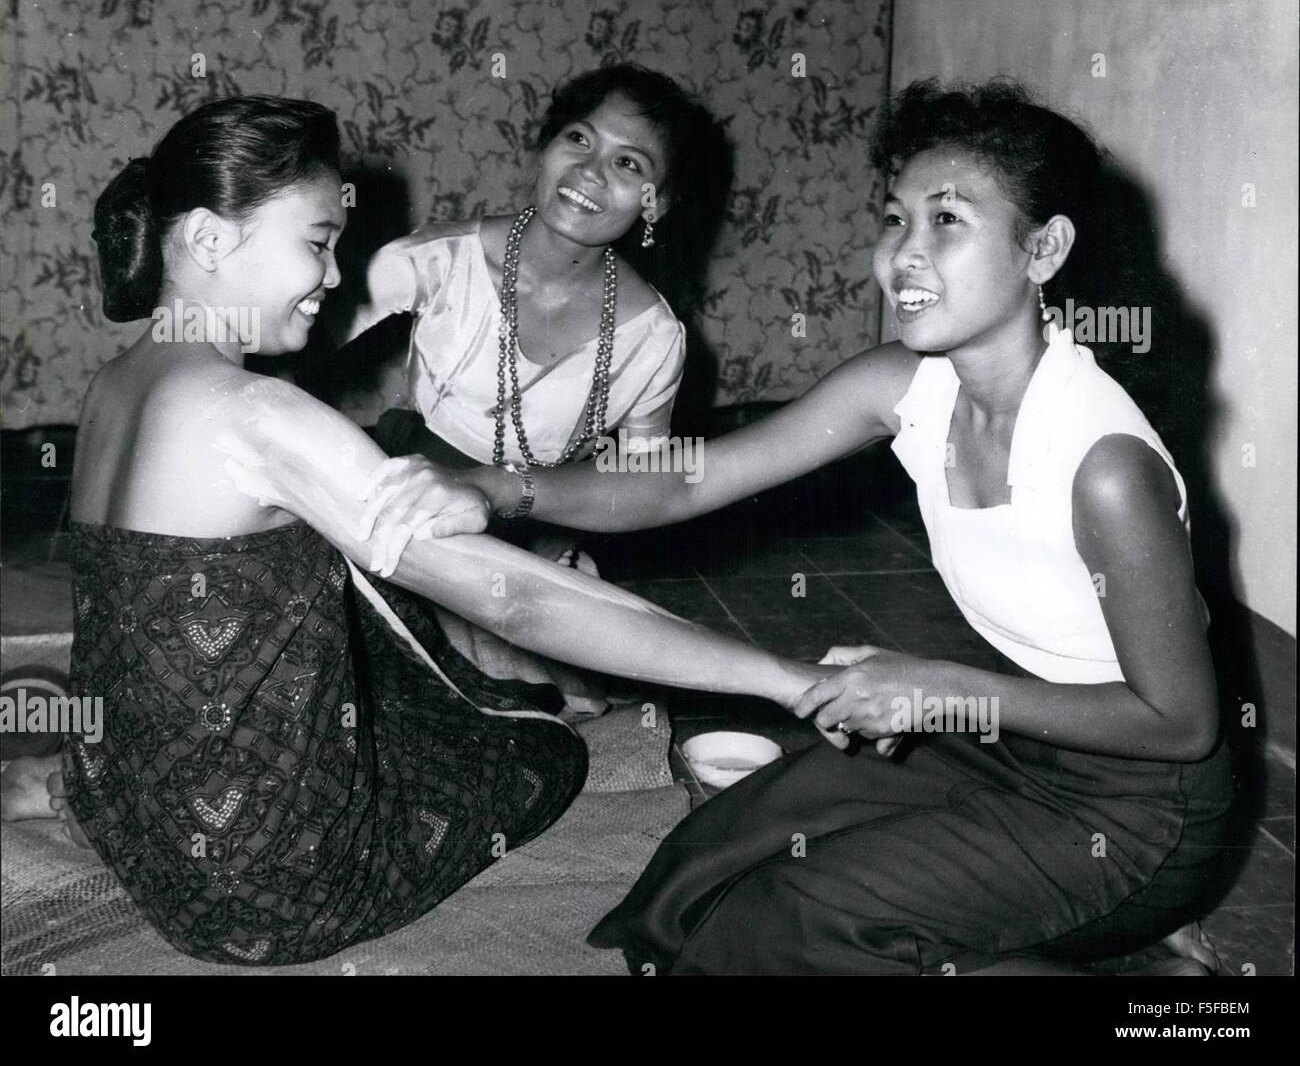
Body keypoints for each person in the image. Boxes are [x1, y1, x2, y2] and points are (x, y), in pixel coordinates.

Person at [412, 79, 1233, 975]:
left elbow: (1181, 722)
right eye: (895, 220)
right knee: (714, 858)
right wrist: (502, 488)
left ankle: (1157, 988)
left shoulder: (1103, 464)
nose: (902, 257)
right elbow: (688, 478)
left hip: (1137, 811)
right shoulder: (910, 384)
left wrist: (936, 691)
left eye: (947, 222)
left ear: (1045, 248)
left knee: (797, 915)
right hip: (1019, 743)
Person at [0, 96, 826, 967]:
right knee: (533, 754)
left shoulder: (110, 387)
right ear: (209, 241)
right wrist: (781, 677)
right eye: (317, 244)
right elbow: (521, 602)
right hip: (257, 891)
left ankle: (64, 787)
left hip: (129, 804)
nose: (331, 275)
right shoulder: (252, 414)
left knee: (399, 689)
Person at [334, 64, 725, 715]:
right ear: (543, 148)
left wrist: (555, 541)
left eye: (629, 163)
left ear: (658, 203)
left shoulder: (655, 336)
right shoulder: (434, 260)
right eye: (578, 139)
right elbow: (295, 359)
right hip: (414, 490)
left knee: (553, 693)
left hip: (536, 519)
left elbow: (643, 485)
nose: (591, 172)